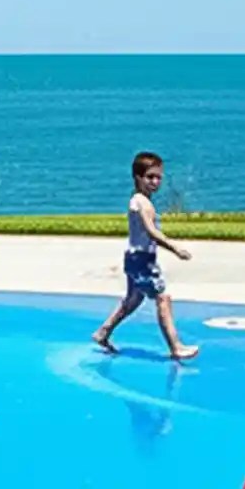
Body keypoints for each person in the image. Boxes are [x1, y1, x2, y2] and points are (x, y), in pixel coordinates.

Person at [92, 151, 199, 360]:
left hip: (134, 258)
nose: (155, 181)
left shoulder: (139, 200)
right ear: (138, 177)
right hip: (142, 260)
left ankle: (103, 332)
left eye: (158, 177)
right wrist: (175, 248)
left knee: (133, 299)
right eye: (150, 177)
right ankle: (175, 347)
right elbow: (151, 231)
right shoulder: (141, 202)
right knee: (163, 298)